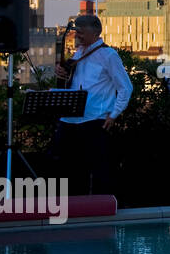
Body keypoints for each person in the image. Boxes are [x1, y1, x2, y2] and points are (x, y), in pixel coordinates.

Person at [49, 15, 132, 196]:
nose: (77, 35)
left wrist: (114, 114)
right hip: (70, 120)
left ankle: (101, 212)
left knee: (99, 170)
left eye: (81, 31)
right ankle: (75, 211)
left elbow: (126, 87)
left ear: (94, 32)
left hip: (94, 120)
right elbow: (74, 83)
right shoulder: (78, 53)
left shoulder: (108, 55)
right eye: (76, 31)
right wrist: (62, 73)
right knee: (70, 170)